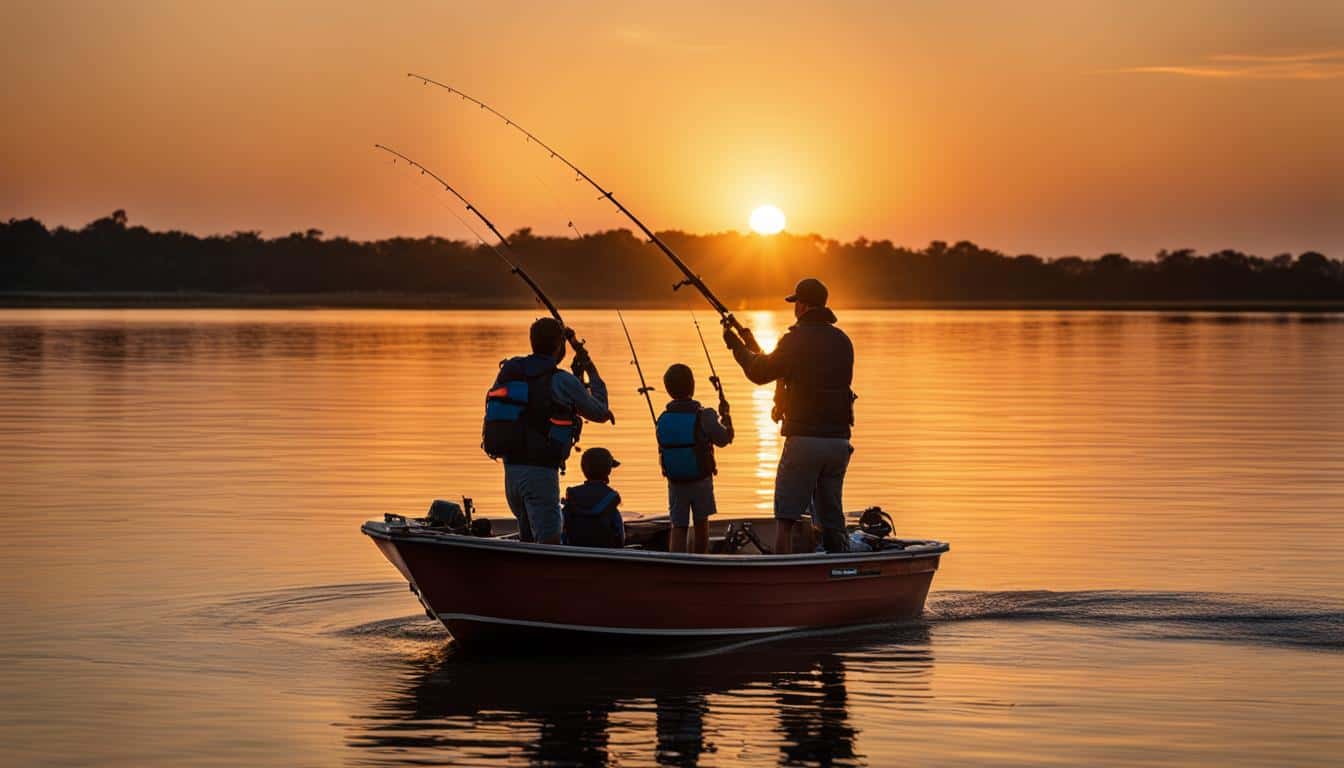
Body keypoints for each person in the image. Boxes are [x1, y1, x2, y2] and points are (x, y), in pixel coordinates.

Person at [722, 278, 855, 554]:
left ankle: (780, 572)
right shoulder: (843, 341)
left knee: (786, 517)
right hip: (839, 442)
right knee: (832, 517)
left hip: (805, 440)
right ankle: (840, 569)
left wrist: (737, 348)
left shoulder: (794, 340)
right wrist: (751, 345)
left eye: (796, 303)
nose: (794, 309)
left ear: (803, 306)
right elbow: (794, 370)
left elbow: (760, 373)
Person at [483, 317, 613, 544]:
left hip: (511, 471)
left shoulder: (512, 372)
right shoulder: (561, 380)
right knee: (550, 544)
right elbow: (600, 412)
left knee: (527, 543)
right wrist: (590, 369)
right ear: (558, 346)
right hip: (540, 474)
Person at [656, 363, 734, 554]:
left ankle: (676, 567)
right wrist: (726, 417)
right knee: (701, 524)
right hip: (701, 479)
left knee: (679, 526)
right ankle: (701, 563)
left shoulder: (663, 418)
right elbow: (724, 439)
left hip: (675, 481)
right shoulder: (705, 415)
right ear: (692, 385)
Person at [562, 447, 625, 548]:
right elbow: (620, 539)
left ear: (583, 469)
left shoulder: (573, 496)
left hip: (575, 551)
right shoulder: (610, 498)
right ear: (608, 471)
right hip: (605, 552)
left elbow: (562, 527)